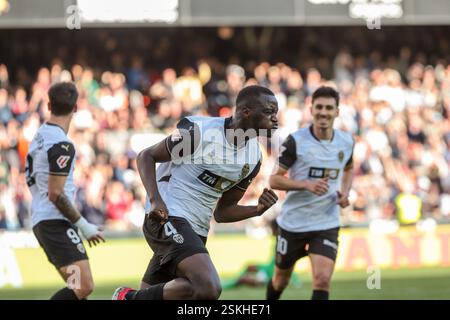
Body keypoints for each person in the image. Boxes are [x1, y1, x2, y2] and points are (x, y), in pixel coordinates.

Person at [113, 85, 279, 300]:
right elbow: (146, 156)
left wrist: (256, 210)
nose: (275, 119)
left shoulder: (253, 158)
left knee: (181, 292)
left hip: (196, 230)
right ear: (246, 112)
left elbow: (223, 212)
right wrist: (156, 201)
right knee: (209, 287)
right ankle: (127, 298)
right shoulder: (199, 132)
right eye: (269, 112)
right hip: (167, 216)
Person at [266, 86, 354, 300]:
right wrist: (307, 185)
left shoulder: (347, 141)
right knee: (281, 279)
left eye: (329, 108)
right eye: (319, 107)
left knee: (322, 280)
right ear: (311, 109)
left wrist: (344, 192)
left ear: (337, 112)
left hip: (326, 224)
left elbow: (349, 167)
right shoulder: (296, 141)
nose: (323, 112)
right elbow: (274, 179)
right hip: (293, 223)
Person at [26, 82, 105, 300]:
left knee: (76, 291)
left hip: (43, 219)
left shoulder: (39, 135)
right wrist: (84, 225)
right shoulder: (61, 144)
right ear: (76, 108)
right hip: (55, 222)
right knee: (83, 286)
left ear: (49, 105)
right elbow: (56, 193)